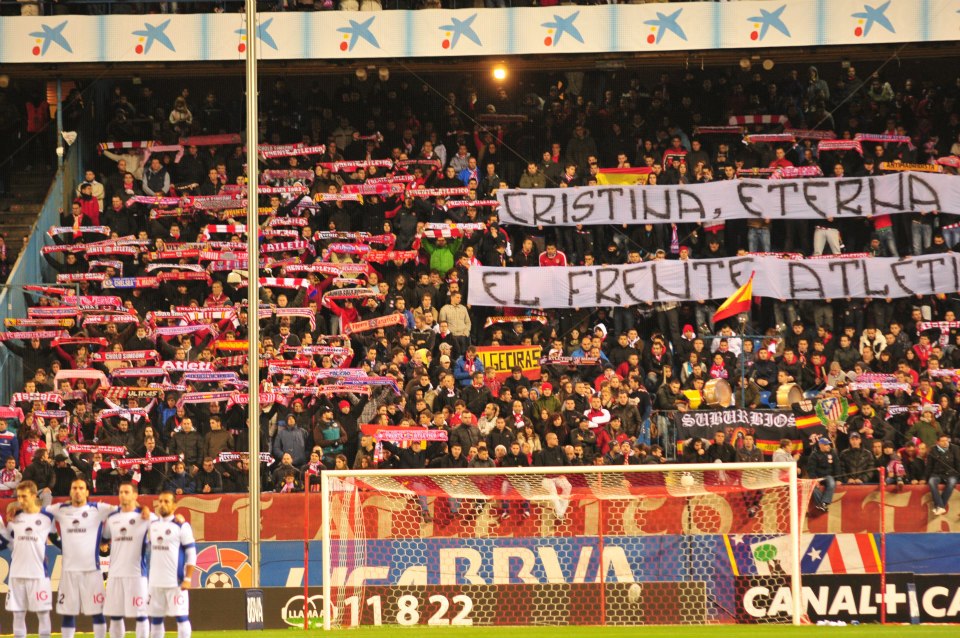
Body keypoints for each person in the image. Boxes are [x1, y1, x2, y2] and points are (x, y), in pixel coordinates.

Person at [45, 478, 118, 638]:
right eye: (74, 488)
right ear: (70, 491)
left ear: (86, 492)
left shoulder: (98, 508)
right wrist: (63, 545)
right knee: (68, 614)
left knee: (97, 612)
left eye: (81, 488)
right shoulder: (60, 509)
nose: (77, 490)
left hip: (92, 572)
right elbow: (41, 515)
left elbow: (122, 512)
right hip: (69, 572)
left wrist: (105, 537)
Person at [103, 481, 154, 638]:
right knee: (115, 615)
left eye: (126, 492)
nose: (122, 495)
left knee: (141, 614)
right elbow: (104, 540)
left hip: (137, 574)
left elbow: (165, 527)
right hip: (115, 574)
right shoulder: (112, 517)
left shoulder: (146, 516)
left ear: (135, 495)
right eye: (120, 492)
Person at [4, 481, 55, 638]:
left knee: (43, 614)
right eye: (19, 497)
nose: (21, 500)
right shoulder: (14, 518)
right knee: (18, 615)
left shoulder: (46, 517)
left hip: (39, 574)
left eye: (24, 496)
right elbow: (8, 542)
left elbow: (55, 539)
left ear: (34, 496)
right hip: (17, 574)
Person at [147, 491, 196, 638]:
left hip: (176, 582)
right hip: (155, 582)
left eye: (167, 501)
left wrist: (188, 579)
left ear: (174, 505)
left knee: (181, 618)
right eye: (160, 501)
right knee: (155, 621)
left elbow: (191, 553)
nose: (162, 504)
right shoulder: (153, 525)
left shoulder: (182, 526)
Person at [927, 433, 960, 516]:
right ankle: (941, 506)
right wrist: (924, 477)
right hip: (937, 473)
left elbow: (958, 463)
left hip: (951, 474)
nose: (945, 442)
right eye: (943, 441)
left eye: (946, 440)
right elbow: (929, 466)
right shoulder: (933, 450)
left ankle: (939, 506)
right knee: (931, 481)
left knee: (952, 482)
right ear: (937, 442)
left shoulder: (955, 449)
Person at [806, 437, 840, 512]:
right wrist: (814, 479)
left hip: (828, 476)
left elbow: (837, 466)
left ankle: (824, 502)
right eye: (826, 445)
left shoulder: (833, 453)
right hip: (818, 477)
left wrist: (838, 479)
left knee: (831, 482)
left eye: (829, 444)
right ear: (820, 445)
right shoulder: (814, 455)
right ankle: (822, 504)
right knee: (813, 488)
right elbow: (811, 469)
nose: (828, 446)